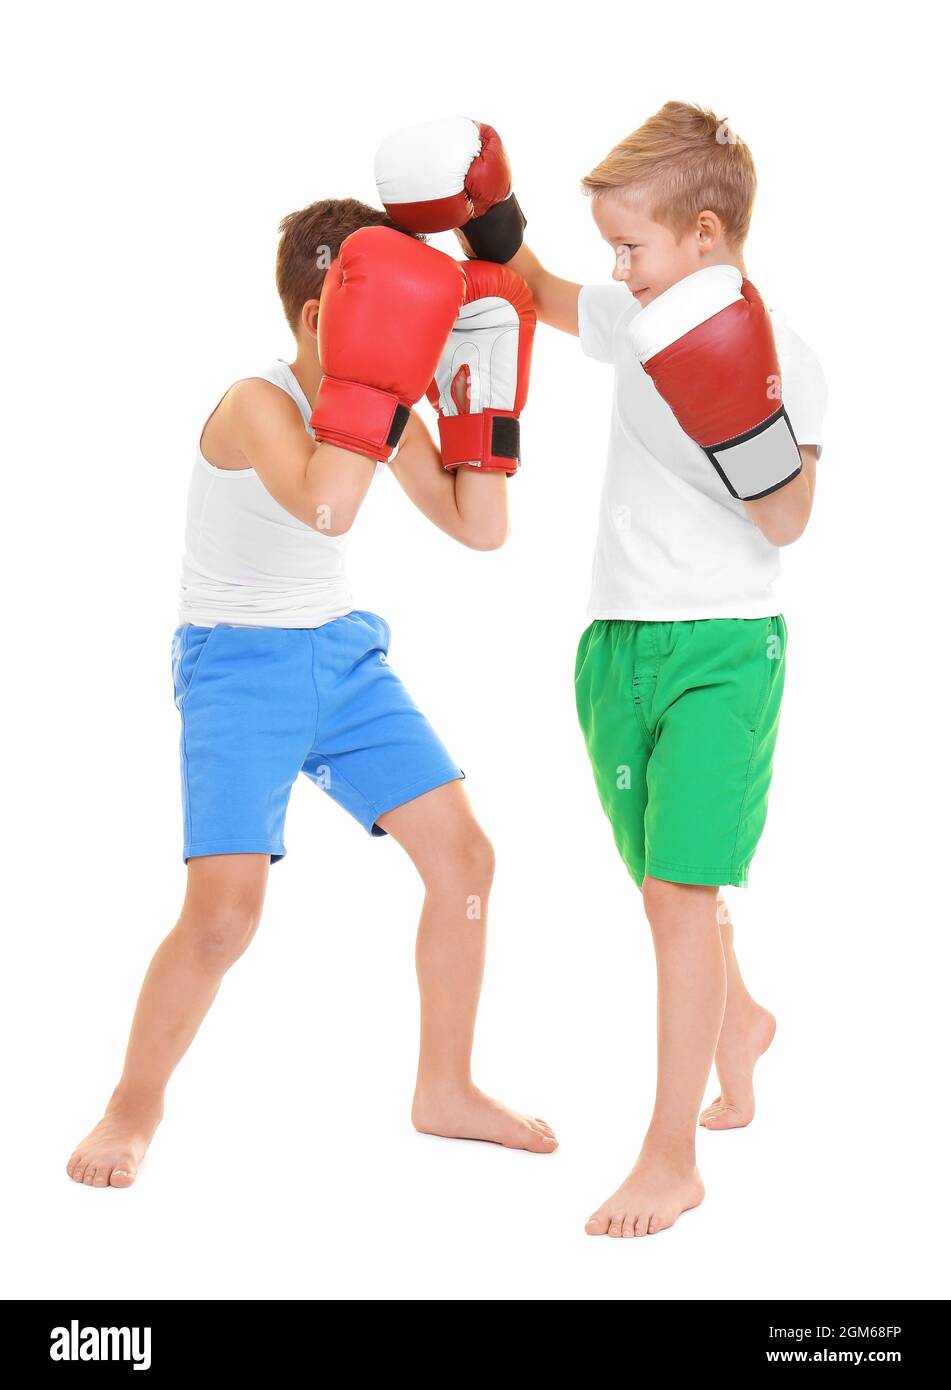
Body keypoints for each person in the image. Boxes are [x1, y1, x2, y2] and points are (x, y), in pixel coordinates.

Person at [375, 105, 828, 1236]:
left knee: (682, 893)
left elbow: (791, 516)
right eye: (613, 250)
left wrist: (742, 419)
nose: (616, 271)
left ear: (709, 236)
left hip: (724, 643)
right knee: (667, 886)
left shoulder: (780, 355)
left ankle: (670, 1156)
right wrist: (488, 211)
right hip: (615, 639)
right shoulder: (636, 310)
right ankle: (742, 1016)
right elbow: (532, 288)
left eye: (631, 248)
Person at [66, 197, 554, 1189]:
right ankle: (132, 1104)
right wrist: (385, 390)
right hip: (237, 667)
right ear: (326, 314)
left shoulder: (387, 401)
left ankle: (445, 1086)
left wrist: (483, 407)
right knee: (224, 914)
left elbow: (479, 528)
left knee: (466, 856)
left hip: (341, 658)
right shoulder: (256, 399)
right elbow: (326, 503)